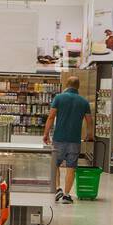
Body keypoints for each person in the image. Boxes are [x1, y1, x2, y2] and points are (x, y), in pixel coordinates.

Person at [43, 76, 92, 204]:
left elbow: (51, 117)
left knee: (55, 164)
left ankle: (58, 188)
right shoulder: (84, 102)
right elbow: (89, 121)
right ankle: (66, 195)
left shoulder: (59, 98)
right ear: (78, 86)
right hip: (74, 140)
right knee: (71, 167)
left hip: (59, 138)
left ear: (66, 84)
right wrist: (89, 135)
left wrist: (46, 134)